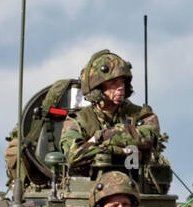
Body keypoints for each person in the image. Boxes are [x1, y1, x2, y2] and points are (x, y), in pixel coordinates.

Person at [59, 50, 163, 178]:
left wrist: (101, 137)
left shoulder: (139, 114)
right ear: (98, 88)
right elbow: (74, 156)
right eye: (113, 83)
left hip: (133, 187)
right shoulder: (79, 121)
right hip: (91, 189)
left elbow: (150, 136)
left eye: (123, 81)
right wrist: (121, 150)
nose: (121, 87)